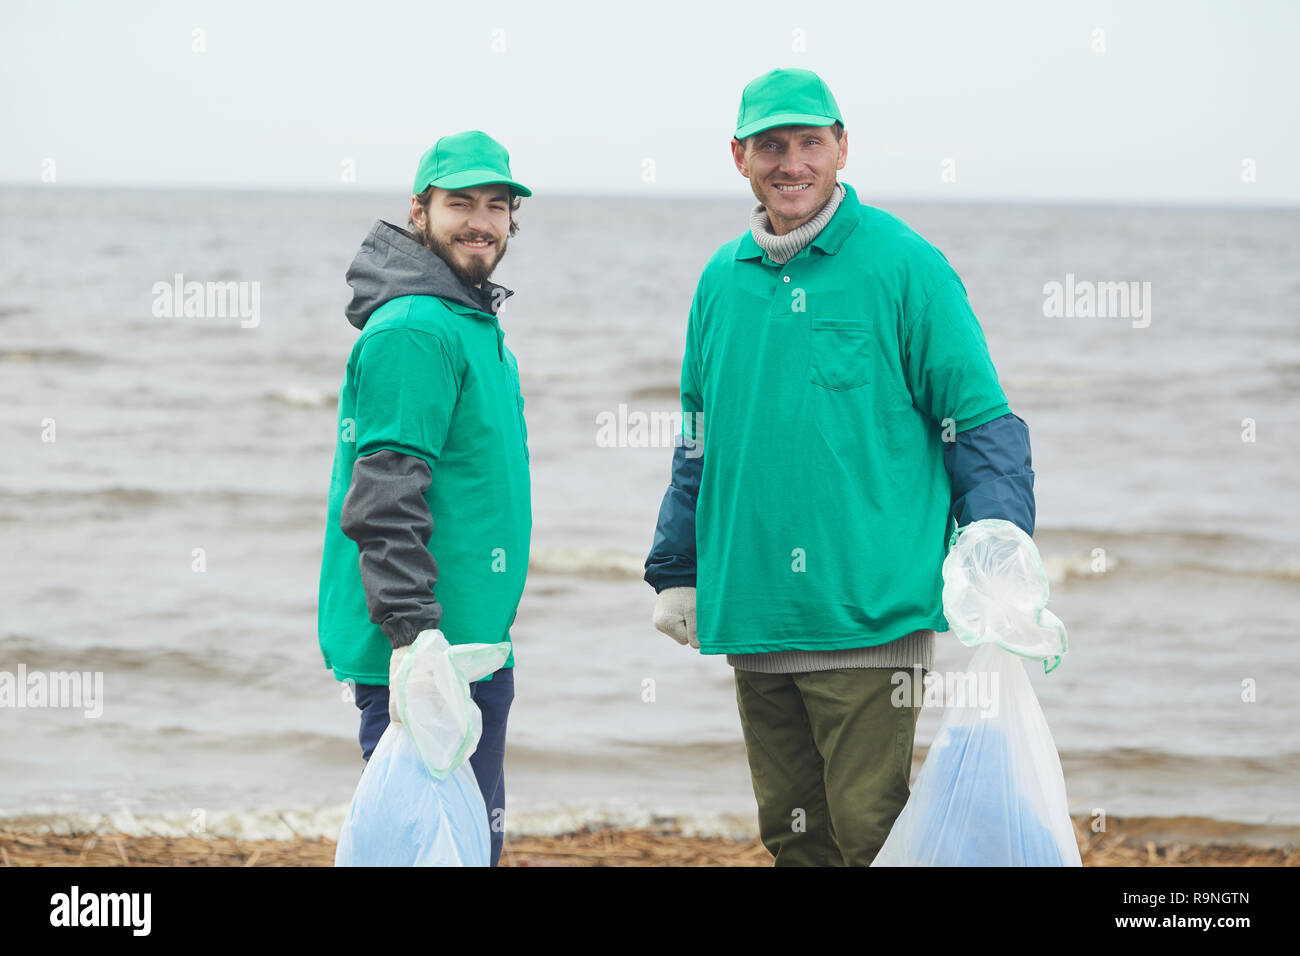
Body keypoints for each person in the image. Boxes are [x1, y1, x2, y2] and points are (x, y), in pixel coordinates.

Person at [644, 68, 1036, 866]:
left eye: (810, 143)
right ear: (739, 157)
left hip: (869, 613)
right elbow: (697, 440)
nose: (792, 163)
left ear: (842, 147)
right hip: (753, 613)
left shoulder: (904, 263)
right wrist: (676, 567)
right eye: (771, 146)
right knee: (793, 838)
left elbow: (980, 419)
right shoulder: (720, 281)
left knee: (872, 833)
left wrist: (998, 539)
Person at [317, 130, 532, 867]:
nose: (480, 221)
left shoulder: (468, 319)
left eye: (496, 205)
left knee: (470, 849)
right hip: (425, 660)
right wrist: (413, 639)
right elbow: (384, 498)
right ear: (420, 211)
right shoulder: (415, 326)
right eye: (460, 203)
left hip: (469, 649)